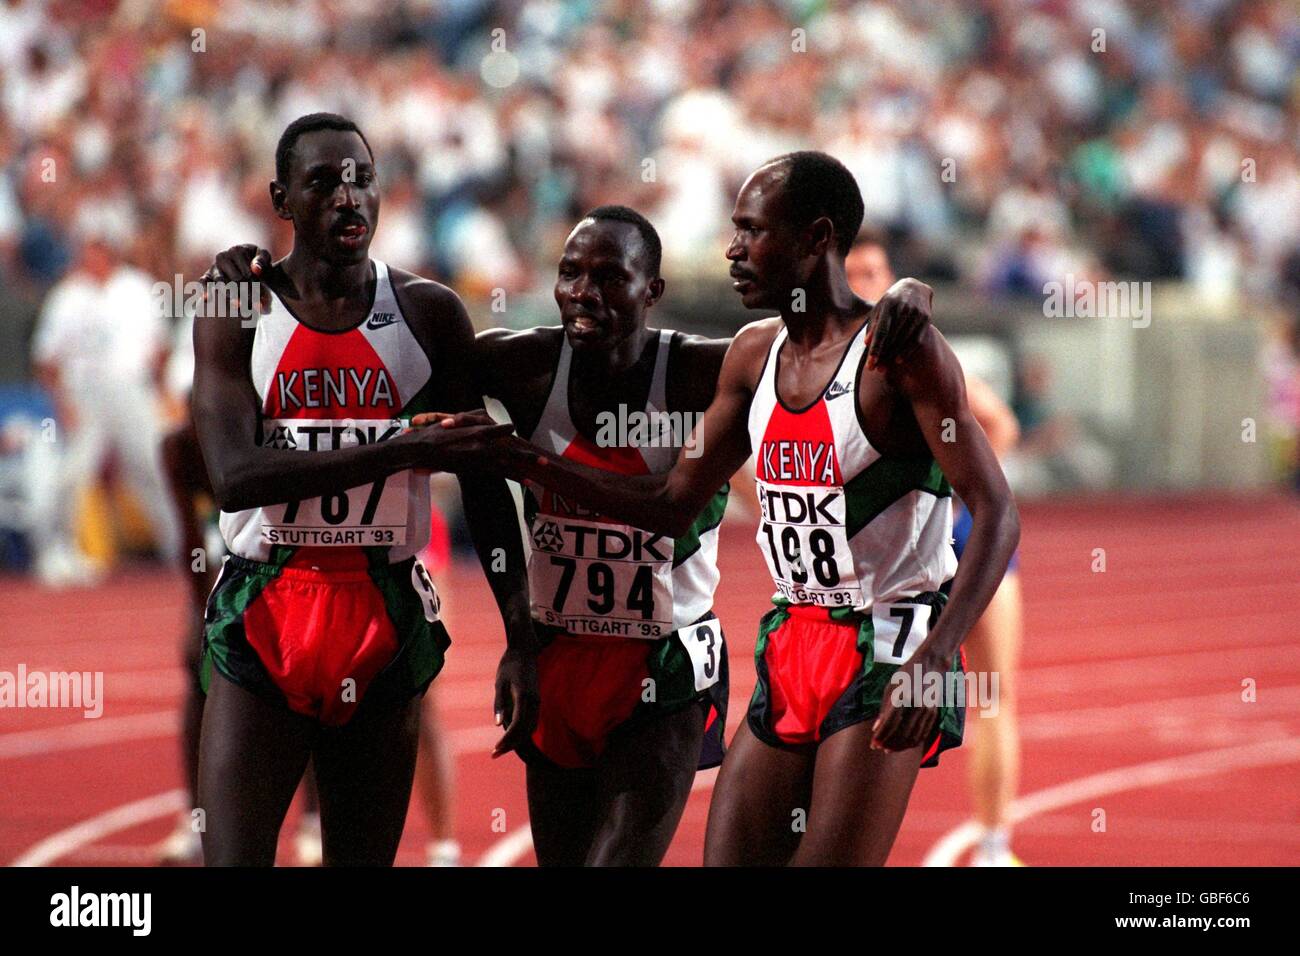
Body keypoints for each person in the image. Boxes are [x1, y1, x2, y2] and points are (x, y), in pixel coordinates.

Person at [482, 152, 1019, 865]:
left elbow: (997, 509)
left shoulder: (899, 354)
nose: (732, 249)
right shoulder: (751, 354)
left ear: (817, 237)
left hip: (887, 644)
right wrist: (524, 462)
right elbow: (673, 504)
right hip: (790, 637)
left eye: (750, 231)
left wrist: (937, 654)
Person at [191, 112, 535, 866]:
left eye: (362, 180)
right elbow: (235, 478)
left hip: (382, 610)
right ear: (281, 201)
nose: (349, 199)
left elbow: (482, 484)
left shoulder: (429, 313)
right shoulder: (236, 308)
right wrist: (405, 445)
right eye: (323, 183)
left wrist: (521, 633)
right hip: (266, 602)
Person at [847, 231, 1026, 867]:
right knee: (869, 701)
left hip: (968, 544)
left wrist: (954, 499)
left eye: (878, 270)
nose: (870, 282)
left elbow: (1000, 423)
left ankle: (995, 845)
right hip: (879, 565)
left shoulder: (918, 356)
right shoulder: (821, 365)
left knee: (991, 694)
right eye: (857, 271)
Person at [30, 225, 179, 585]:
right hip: (85, 393)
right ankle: (58, 552)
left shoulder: (137, 288)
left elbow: (160, 346)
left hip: (131, 389)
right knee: (74, 473)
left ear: (109, 251)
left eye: (97, 249)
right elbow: (46, 359)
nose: (90, 257)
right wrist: (62, 403)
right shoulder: (67, 296)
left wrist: (159, 393)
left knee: (154, 466)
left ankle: (181, 546)